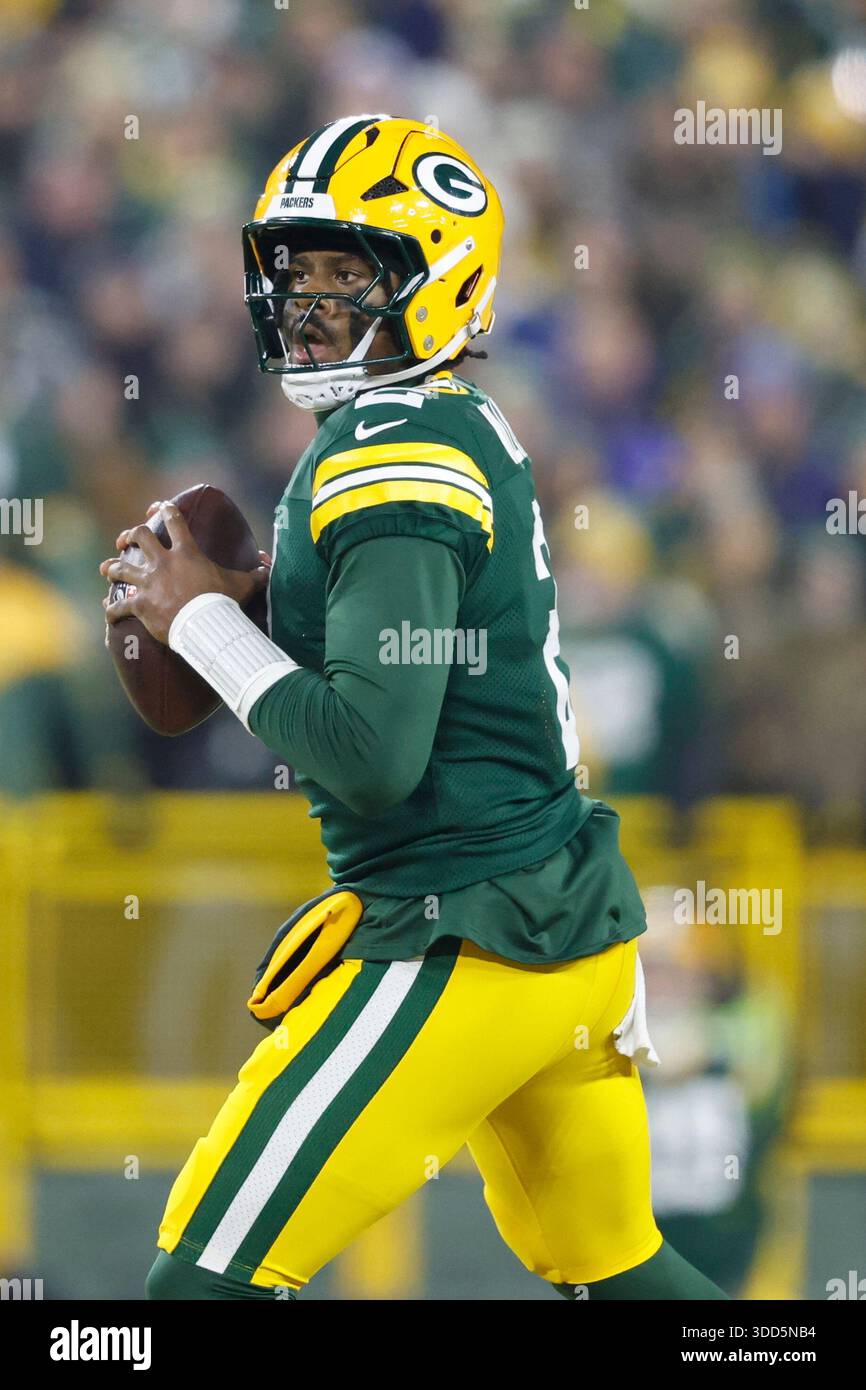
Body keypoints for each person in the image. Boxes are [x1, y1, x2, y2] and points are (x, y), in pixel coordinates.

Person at [101, 114, 728, 1300]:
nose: (312, 304)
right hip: (561, 922)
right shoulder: (437, 421)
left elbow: (372, 753)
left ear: (439, 283)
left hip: (464, 937)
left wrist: (207, 624)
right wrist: (251, 601)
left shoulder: (388, 452)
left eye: (351, 273)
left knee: (199, 1285)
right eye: (297, 272)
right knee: (620, 1277)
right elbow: (420, 667)